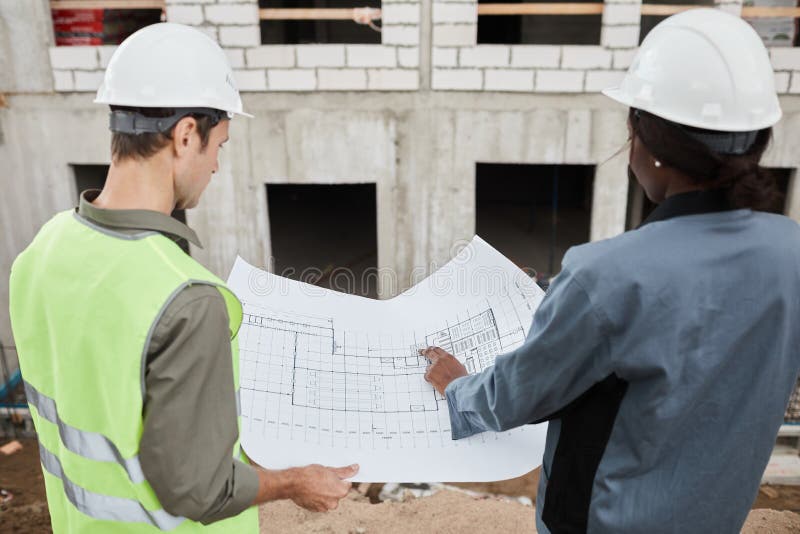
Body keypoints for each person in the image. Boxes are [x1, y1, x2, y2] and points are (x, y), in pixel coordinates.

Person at [423, 9, 800, 534]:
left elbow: (519, 394)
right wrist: (550, 292)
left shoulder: (606, 276)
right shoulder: (791, 252)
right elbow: (690, 312)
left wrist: (458, 387)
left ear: (646, 141)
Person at [9, 23, 356, 532]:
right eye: (220, 145)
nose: (216, 165)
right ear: (187, 133)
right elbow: (198, 487)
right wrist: (293, 482)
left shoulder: (42, 250)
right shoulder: (187, 299)